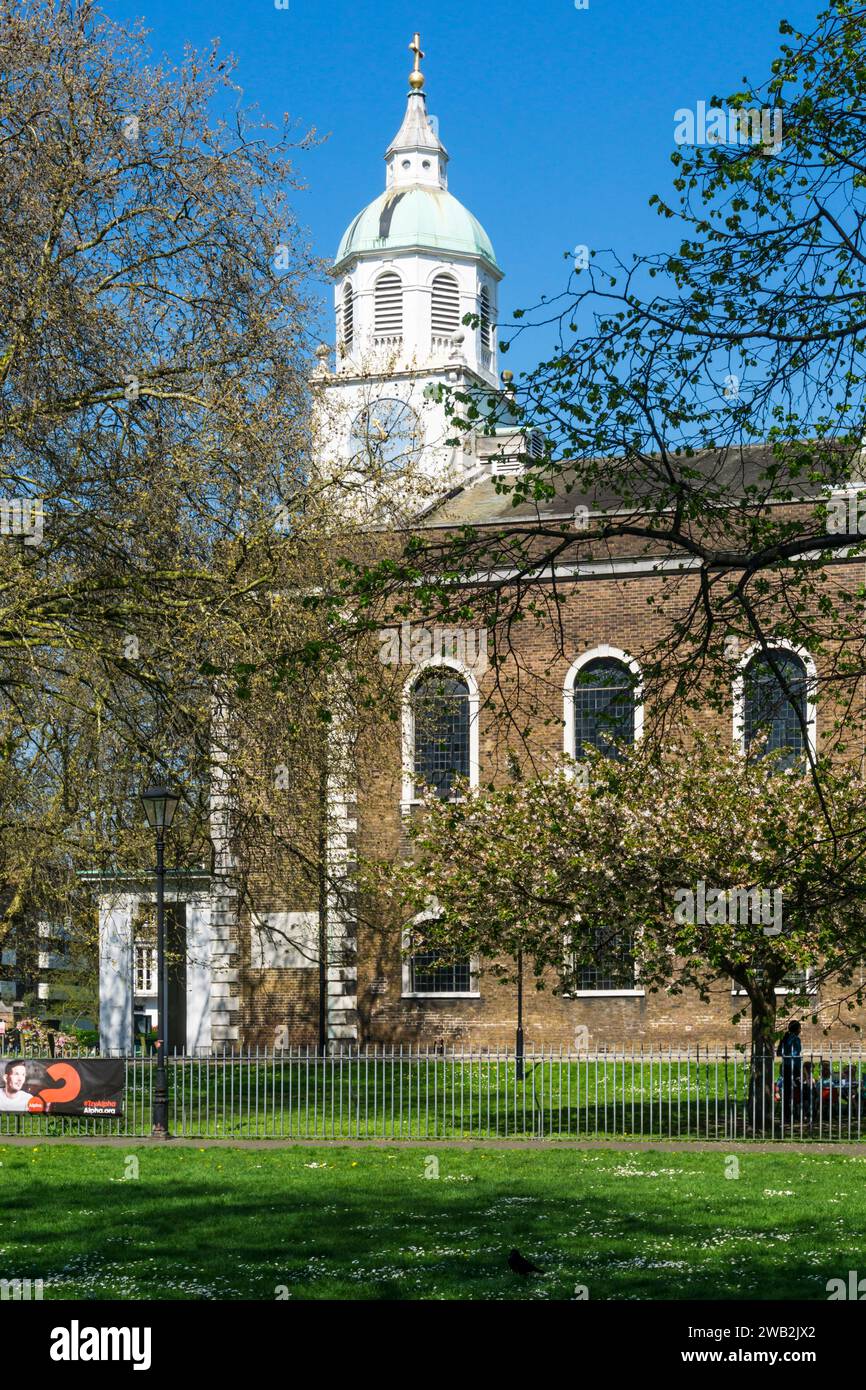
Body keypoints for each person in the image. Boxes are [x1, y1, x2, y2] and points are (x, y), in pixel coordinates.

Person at [777, 1021, 802, 1123]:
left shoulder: (784, 1038)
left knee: (787, 1092)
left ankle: (786, 1115)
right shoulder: (796, 1039)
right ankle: (798, 1112)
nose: (800, 1030)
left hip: (785, 1067)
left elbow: (779, 1053)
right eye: (800, 1028)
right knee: (799, 1089)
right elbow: (796, 1053)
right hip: (794, 1067)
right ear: (797, 1029)